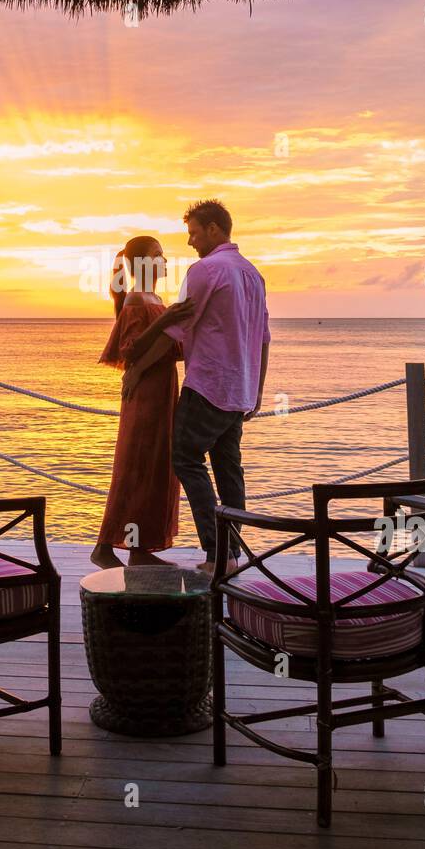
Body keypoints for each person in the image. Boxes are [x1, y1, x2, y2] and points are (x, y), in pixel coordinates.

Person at [161, 200, 270, 573]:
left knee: (186, 459)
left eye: (193, 232)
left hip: (208, 384)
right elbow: (263, 339)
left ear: (213, 229)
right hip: (239, 390)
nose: (190, 241)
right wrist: (256, 390)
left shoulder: (205, 270)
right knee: (228, 469)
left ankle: (218, 552)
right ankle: (232, 554)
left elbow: (177, 328)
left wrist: (139, 361)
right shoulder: (253, 274)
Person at [90, 236, 192, 569]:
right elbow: (130, 350)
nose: (164, 262)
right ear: (141, 265)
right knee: (137, 466)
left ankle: (139, 549)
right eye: (157, 256)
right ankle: (104, 547)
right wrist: (166, 320)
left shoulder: (154, 298)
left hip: (163, 390)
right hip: (146, 393)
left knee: (155, 469)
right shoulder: (136, 300)